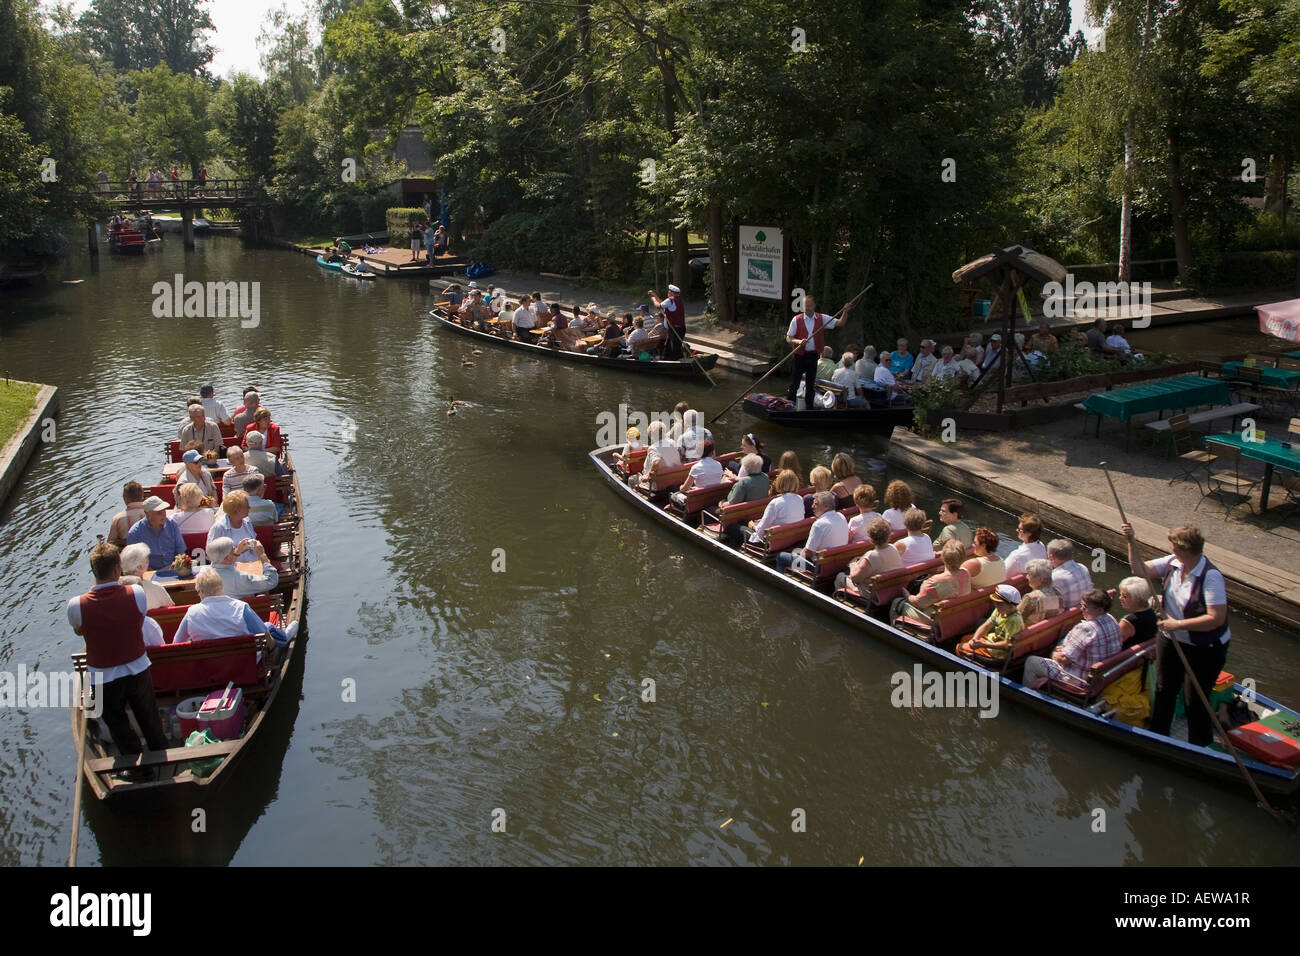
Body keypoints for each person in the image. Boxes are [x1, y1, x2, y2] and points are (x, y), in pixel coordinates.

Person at [1122, 522, 1230, 747]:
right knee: (1164, 689)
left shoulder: (1210, 577)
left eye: (1173, 546)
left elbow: (1216, 618)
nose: (1170, 549)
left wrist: (1178, 625)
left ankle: (1199, 746)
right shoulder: (1172, 563)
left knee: (1196, 699)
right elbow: (1139, 570)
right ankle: (1159, 736)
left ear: (1184, 550)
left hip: (1204, 648)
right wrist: (1131, 541)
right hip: (1171, 639)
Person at [66, 542, 168, 769]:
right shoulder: (136, 594)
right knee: (148, 716)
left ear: (95, 572)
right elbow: (138, 620)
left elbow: (80, 630)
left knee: (116, 723)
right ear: (116, 569)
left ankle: (136, 767)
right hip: (136, 667)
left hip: (102, 674)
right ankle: (160, 755)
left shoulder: (76, 605)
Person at [1022, 589, 1122, 691]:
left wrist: (1055, 654)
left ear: (1100, 610)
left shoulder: (1086, 628)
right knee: (1062, 645)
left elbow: (1064, 659)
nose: (1082, 609)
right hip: (1099, 676)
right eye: (1082, 604)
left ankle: (1026, 693)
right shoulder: (1111, 619)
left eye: (1086, 607)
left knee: (1031, 661)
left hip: (1077, 680)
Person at [173, 567, 297, 646]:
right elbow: (264, 635)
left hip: (208, 668)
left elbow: (177, 643)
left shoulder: (191, 613)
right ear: (221, 588)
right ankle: (284, 638)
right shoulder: (241, 607)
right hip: (243, 665)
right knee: (268, 626)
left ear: (200, 591)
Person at [890, 541, 971, 625]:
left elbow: (919, 603)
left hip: (932, 618)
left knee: (897, 602)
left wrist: (907, 595)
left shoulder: (935, 581)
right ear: (963, 558)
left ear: (943, 557)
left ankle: (894, 631)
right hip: (952, 614)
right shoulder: (966, 574)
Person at [786, 295, 840, 406]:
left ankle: (809, 407)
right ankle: (789, 405)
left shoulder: (822, 318)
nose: (808, 308)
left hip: (813, 355)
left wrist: (846, 311)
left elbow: (840, 323)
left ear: (814, 305)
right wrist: (798, 342)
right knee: (794, 383)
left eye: (810, 305)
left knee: (810, 384)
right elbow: (788, 338)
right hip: (799, 355)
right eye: (806, 306)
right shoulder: (796, 319)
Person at [777, 491, 848, 572]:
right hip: (836, 564)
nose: (812, 506)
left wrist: (797, 554)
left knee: (781, 556)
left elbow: (808, 552)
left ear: (826, 506)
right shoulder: (841, 517)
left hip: (819, 567)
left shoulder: (819, 524)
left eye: (816, 504)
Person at [956, 584, 1026, 660]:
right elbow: (987, 625)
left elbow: (1006, 645)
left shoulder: (1014, 621)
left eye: (999, 604)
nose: (995, 605)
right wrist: (975, 639)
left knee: (960, 647)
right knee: (965, 639)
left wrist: (983, 645)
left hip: (997, 652)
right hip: (992, 640)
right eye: (995, 602)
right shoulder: (1001, 610)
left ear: (1011, 606)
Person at [838, 518, 903, 593]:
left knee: (840, 576)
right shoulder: (894, 548)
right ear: (888, 535)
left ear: (871, 538)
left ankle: (838, 600)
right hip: (889, 590)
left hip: (872, 595)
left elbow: (856, 579)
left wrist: (853, 566)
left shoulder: (871, 556)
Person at [125, 496, 186, 570]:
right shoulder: (135, 533)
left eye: (164, 511)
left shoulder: (172, 525)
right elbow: (132, 563)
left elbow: (181, 551)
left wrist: (177, 565)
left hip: (173, 568)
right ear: (148, 515)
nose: (164, 515)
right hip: (148, 572)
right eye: (159, 512)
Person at [208, 535, 279, 598]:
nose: (235, 549)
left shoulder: (205, 573)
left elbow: (225, 563)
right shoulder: (238, 579)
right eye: (233, 550)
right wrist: (262, 555)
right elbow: (271, 581)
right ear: (227, 557)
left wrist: (236, 553)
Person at [748, 469, 804, 543]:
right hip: (792, 538)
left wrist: (752, 526)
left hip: (773, 542)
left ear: (780, 483)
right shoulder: (799, 499)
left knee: (736, 528)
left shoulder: (775, 503)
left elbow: (761, 530)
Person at [118, 543, 175, 609]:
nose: (148, 561)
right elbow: (171, 607)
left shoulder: (115, 589)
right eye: (147, 559)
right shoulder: (155, 587)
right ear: (140, 567)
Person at [629, 421, 681, 491]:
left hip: (656, 484)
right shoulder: (672, 442)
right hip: (674, 480)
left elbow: (656, 462)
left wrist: (648, 477)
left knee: (631, 479)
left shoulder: (653, 448)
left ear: (652, 435)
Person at [206, 490, 257, 558]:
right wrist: (237, 552)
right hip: (229, 567)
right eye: (247, 506)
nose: (249, 508)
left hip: (251, 564)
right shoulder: (219, 527)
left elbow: (253, 544)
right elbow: (211, 554)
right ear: (237, 509)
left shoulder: (247, 521)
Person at [674, 439, 724, 505]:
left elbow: (684, 489)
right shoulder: (718, 464)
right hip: (714, 498)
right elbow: (711, 483)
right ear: (712, 452)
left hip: (699, 501)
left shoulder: (696, 467)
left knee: (674, 495)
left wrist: (681, 487)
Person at [1048, 538, 1093, 607]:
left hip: (1066, 614)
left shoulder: (1054, 576)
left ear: (1051, 557)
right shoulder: (1083, 567)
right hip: (1084, 609)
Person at [1117, 576, 1158, 648]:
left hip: (1126, 658)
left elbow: (1113, 644)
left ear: (1137, 599)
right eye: (1121, 594)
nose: (1120, 598)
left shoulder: (1128, 622)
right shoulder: (1152, 613)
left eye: (1125, 596)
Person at [648, 283, 686, 359]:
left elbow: (658, 306)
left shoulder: (670, 300)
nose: (668, 293)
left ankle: (676, 363)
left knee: (674, 350)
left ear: (671, 293)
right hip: (678, 328)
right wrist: (654, 295)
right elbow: (662, 303)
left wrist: (653, 299)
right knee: (668, 348)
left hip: (675, 329)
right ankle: (667, 359)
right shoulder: (677, 300)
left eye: (669, 292)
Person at [1004, 513, 1047, 578]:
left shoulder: (1016, 556)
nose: (1017, 530)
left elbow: (1002, 575)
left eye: (1019, 529)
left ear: (1029, 533)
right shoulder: (1041, 546)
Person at [108, 481, 148, 547]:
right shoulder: (152, 513)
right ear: (142, 496)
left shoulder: (117, 518)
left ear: (125, 498)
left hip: (126, 554)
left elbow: (110, 544)